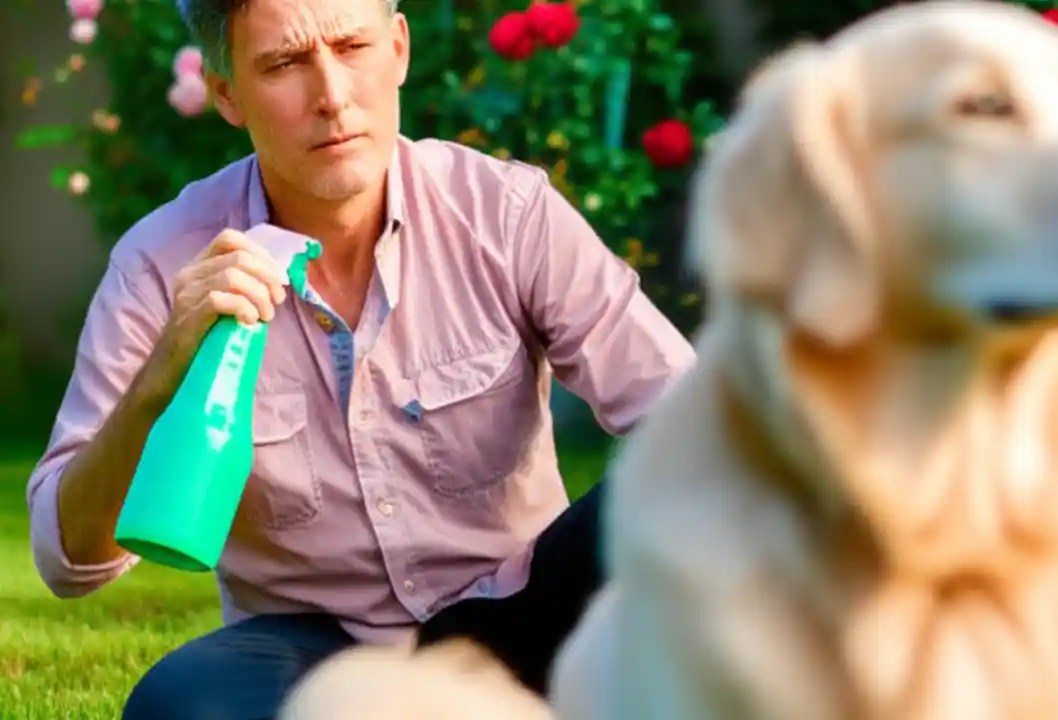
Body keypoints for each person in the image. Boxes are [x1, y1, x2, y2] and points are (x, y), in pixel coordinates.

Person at [23, 0, 696, 716]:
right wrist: (158, 383)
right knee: (179, 703)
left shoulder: (507, 214)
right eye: (284, 64)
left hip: (525, 611)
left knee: (665, 490)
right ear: (226, 93)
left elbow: (694, 421)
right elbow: (69, 562)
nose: (332, 96)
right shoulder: (162, 265)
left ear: (398, 48)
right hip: (311, 652)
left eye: (352, 47)